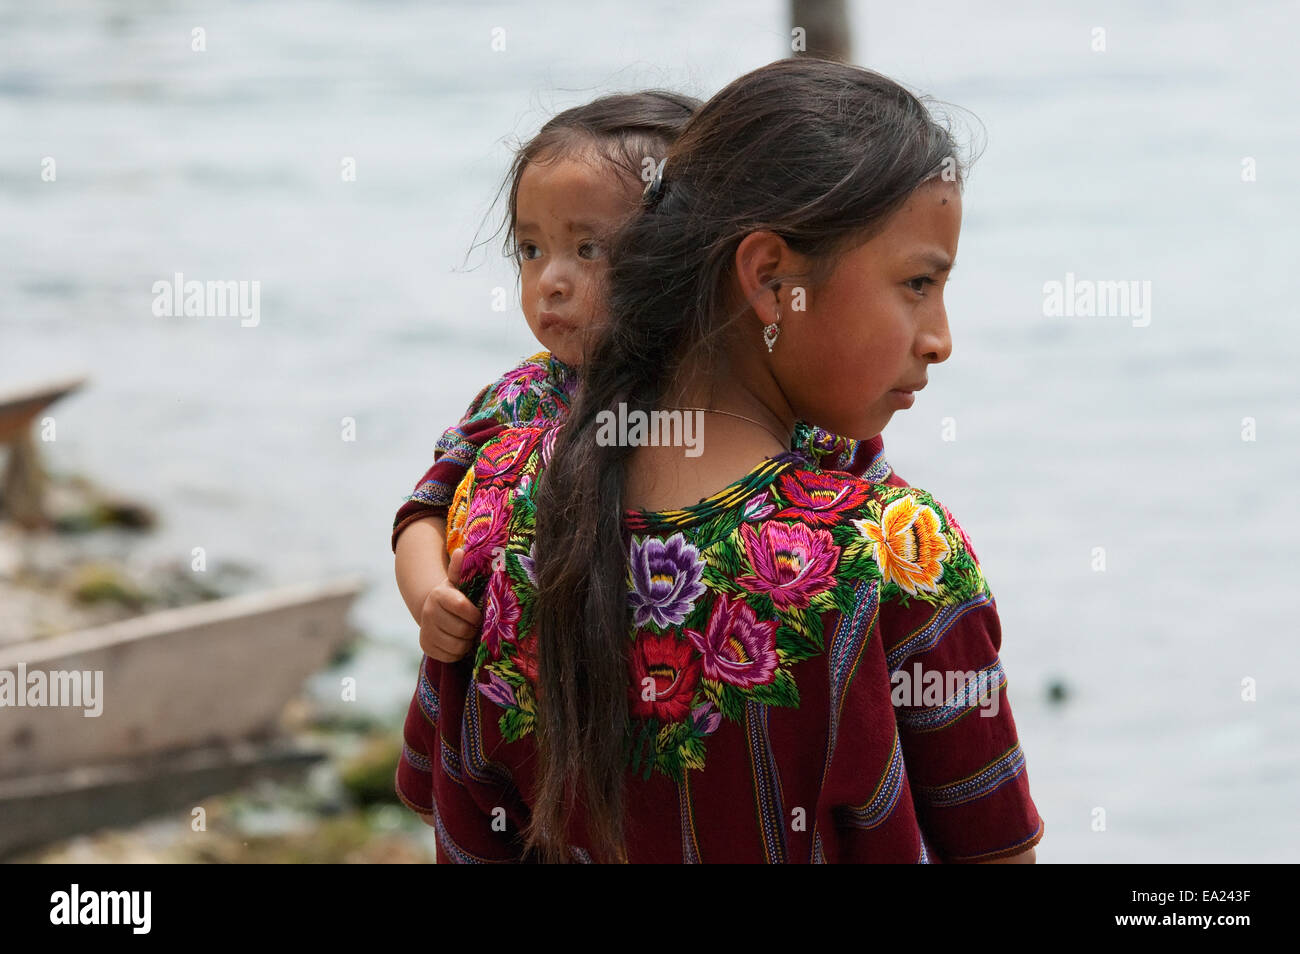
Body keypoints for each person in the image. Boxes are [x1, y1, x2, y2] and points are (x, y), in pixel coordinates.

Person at [397, 58, 1045, 863]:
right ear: (770, 279)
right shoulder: (896, 557)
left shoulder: (491, 508)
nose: (940, 338)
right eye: (918, 283)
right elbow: (995, 847)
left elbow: (457, 816)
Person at [391, 90, 906, 668]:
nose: (550, 281)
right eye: (531, 249)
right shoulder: (518, 402)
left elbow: (883, 533)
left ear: (682, 255)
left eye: (588, 249)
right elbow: (424, 511)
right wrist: (429, 596)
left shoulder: (775, 409)